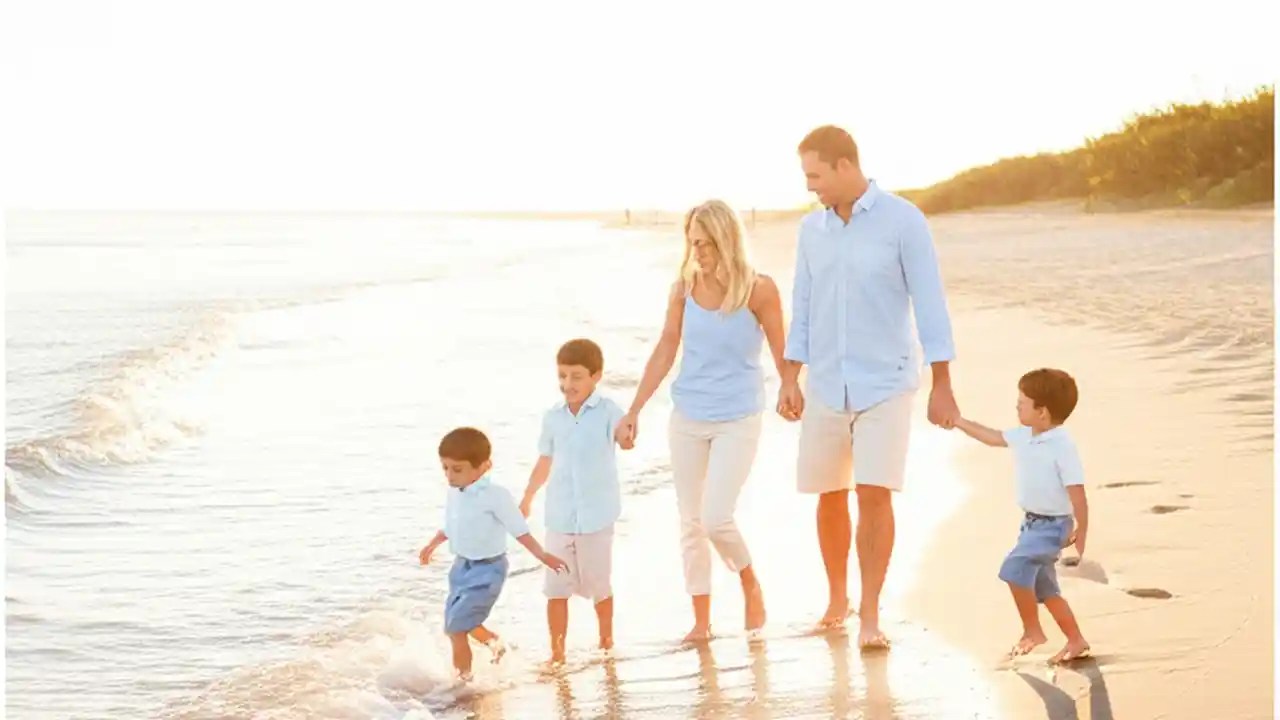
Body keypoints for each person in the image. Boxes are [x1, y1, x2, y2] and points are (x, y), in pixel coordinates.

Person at [779, 125, 959, 649]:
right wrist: (791, 376)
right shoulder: (811, 231)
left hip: (886, 381)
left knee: (875, 493)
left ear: (844, 165)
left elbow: (930, 303)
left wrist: (942, 383)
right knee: (829, 496)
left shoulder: (904, 221)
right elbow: (803, 305)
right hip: (826, 383)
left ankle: (871, 614)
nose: (810, 186)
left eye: (815, 175)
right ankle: (838, 599)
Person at [615, 199, 789, 643]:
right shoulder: (683, 290)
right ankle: (701, 620)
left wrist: (792, 385)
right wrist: (634, 409)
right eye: (692, 243)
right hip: (689, 416)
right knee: (691, 522)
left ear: (727, 240)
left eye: (706, 243)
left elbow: (782, 350)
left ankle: (749, 580)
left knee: (716, 517)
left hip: (738, 417)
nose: (698, 252)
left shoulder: (759, 290)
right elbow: (666, 348)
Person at [953, 368, 1092, 664]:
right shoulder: (1025, 435)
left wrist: (1082, 527)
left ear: (1042, 412)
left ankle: (1033, 631)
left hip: (1054, 526)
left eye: (1023, 402)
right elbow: (992, 437)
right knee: (1046, 589)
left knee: (1014, 567)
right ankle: (1075, 640)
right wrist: (959, 422)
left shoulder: (1061, 445)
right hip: (1030, 525)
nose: (1017, 406)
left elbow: (1077, 491)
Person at [418, 427, 568, 681]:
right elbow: (454, 524)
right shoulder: (455, 492)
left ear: (484, 467)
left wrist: (543, 555)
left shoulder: (496, 496)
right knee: (457, 623)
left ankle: (463, 682)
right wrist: (434, 542)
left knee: (456, 628)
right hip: (461, 568)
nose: (449, 475)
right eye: (445, 468)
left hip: (488, 570)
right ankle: (496, 645)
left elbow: (519, 530)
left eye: (457, 469)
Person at [519, 338, 631, 665]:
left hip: (597, 516)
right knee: (555, 587)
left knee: (599, 584)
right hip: (559, 515)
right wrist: (527, 497)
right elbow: (545, 460)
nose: (568, 384)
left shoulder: (609, 411)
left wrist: (628, 434)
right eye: (563, 376)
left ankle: (606, 643)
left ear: (596, 376)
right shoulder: (552, 417)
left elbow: (626, 443)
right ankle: (557, 654)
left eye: (577, 376)